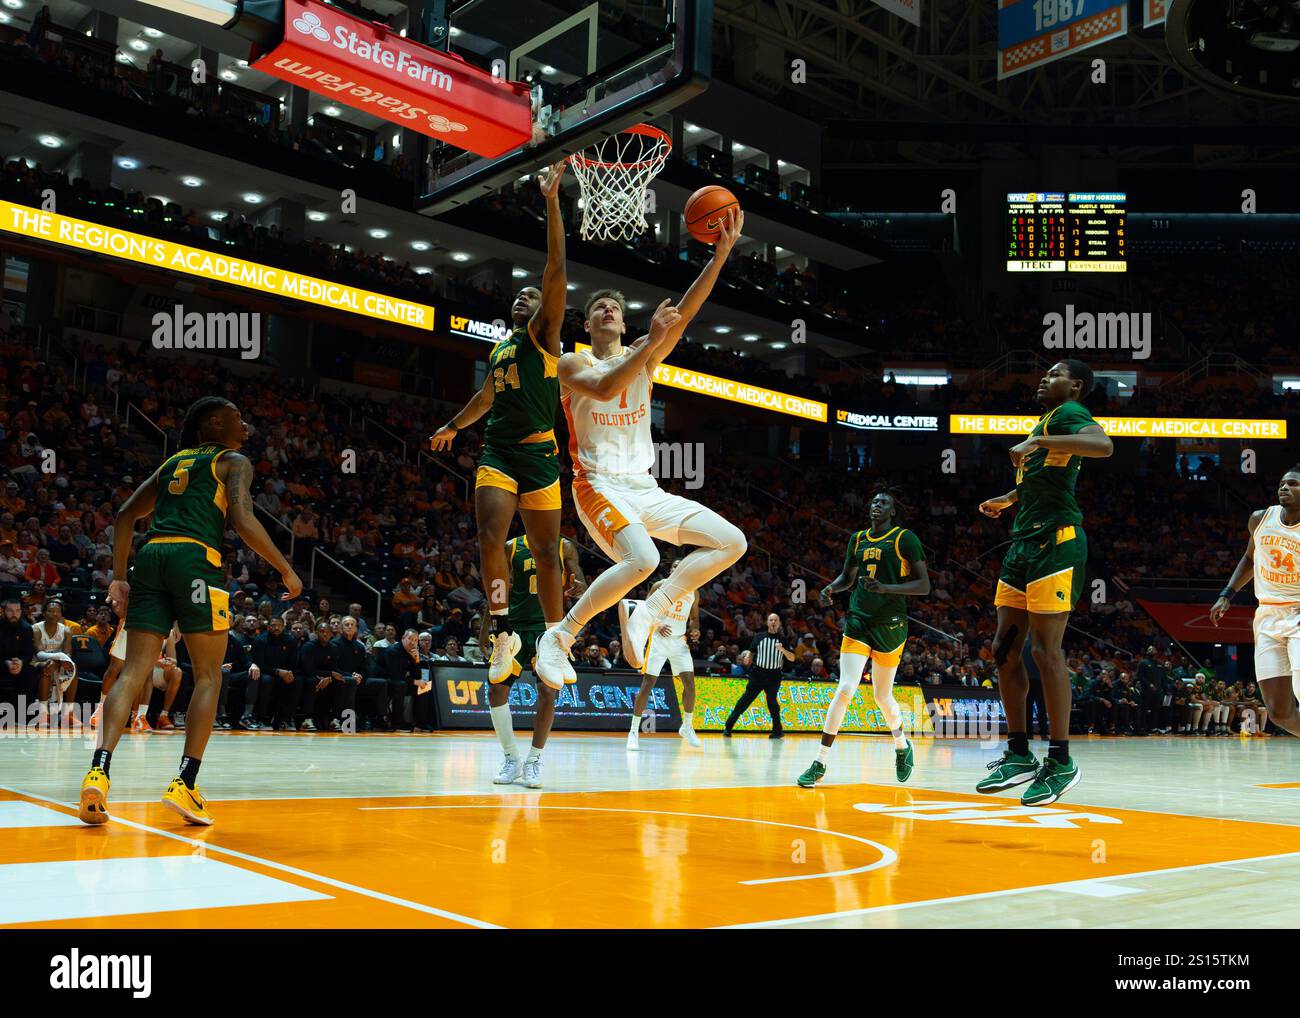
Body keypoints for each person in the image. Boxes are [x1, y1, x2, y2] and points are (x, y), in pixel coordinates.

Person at [536, 208, 748, 687]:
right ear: (588, 325)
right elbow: (608, 389)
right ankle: (560, 637)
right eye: (599, 309)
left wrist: (719, 257)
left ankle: (650, 609)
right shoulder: (572, 363)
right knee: (645, 559)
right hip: (597, 485)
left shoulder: (645, 353)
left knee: (733, 542)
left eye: (615, 307)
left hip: (646, 488)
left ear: (624, 321)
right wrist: (649, 344)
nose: (608, 311)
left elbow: (686, 312)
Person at [79, 396, 302, 827]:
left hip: (151, 557)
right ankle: (186, 782)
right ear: (215, 424)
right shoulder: (232, 461)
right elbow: (242, 518)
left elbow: (125, 516)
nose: (246, 424)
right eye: (238, 417)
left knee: (133, 672)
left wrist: (118, 577)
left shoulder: (172, 462)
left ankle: (99, 769)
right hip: (195, 559)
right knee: (208, 675)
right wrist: (286, 569)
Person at [429, 163, 570, 689]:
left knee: (545, 554)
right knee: (490, 536)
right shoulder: (500, 348)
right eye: (519, 297)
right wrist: (452, 425)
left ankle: (554, 641)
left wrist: (553, 201)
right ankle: (505, 632)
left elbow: (556, 268)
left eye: (530, 298)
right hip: (498, 452)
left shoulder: (544, 337)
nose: (523, 299)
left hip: (540, 456)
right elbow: (484, 397)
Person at [975, 360, 1113, 805]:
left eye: (1053, 373)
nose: (1042, 378)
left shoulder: (1068, 413)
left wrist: (1040, 439)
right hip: (1023, 544)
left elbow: (1104, 446)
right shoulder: (1048, 422)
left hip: (1057, 543)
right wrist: (1009, 497)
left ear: (1075, 385)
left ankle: (1061, 760)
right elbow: (1046, 478)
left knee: (1045, 651)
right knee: (1003, 651)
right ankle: (1018, 752)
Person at [798, 487, 929, 787]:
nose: (877, 505)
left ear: (893, 511)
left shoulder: (904, 539)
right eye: (874, 501)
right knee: (845, 687)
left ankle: (901, 745)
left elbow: (923, 586)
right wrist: (831, 588)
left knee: (882, 696)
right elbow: (848, 577)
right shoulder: (857, 538)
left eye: (884, 503)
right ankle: (819, 762)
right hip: (859, 620)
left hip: (891, 624)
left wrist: (886, 588)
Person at [485, 534, 585, 788]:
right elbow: (498, 587)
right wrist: (489, 625)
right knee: (496, 690)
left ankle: (534, 760)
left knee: (547, 691)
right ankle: (511, 759)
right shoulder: (512, 547)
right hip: (515, 627)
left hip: (548, 629)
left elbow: (580, 582)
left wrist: (580, 587)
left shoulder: (565, 546)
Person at [1211, 466, 1300, 739]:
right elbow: (1251, 557)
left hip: (1298, 612)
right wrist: (1227, 593)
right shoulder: (1260, 519)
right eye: (1282, 483)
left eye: (1293, 484)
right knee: (1279, 712)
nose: (1283, 488)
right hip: (1268, 615)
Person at [626, 565, 701, 751]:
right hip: (659, 641)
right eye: (674, 566)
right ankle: (633, 731)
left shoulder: (693, 591)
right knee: (648, 684)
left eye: (680, 565)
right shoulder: (660, 585)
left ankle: (687, 726)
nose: (676, 568)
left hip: (679, 642)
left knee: (690, 684)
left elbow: (694, 617)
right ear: (670, 570)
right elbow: (645, 611)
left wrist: (695, 629)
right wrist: (657, 624)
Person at [724, 613, 794, 737]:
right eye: (771, 620)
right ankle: (728, 727)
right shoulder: (759, 636)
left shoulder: (783, 639)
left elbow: (792, 658)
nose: (773, 622)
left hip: (774, 675)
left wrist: (782, 649)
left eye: (775, 620)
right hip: (758, 674)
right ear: (767, 622)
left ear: (779, 623)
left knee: (772, 702)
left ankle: (777, 731)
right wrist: (747, 658)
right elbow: (751, 652)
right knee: (745, 701)